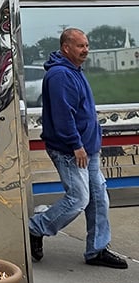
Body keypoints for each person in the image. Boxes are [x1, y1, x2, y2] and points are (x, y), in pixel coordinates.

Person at [29, 28, 128, 269]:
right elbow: (64, 117)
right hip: (70, 150)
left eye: (87, 45)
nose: (86, 50)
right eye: (81, 46)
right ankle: (35, 227)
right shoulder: (61, 75)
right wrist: (76, 145)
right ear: (66, 48)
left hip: (88, 149)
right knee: (79, 198)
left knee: (99, 199)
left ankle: (97, 250)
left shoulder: (75, 71)